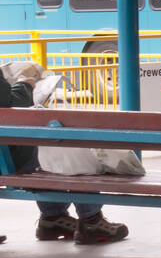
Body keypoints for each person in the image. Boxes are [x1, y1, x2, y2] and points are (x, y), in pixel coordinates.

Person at [0, 72, 128, 245]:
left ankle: (54, 217)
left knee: (49, 154)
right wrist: (25, 85)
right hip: (7, 162)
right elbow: (8, 104)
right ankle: (92, 220)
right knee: (70, 153)